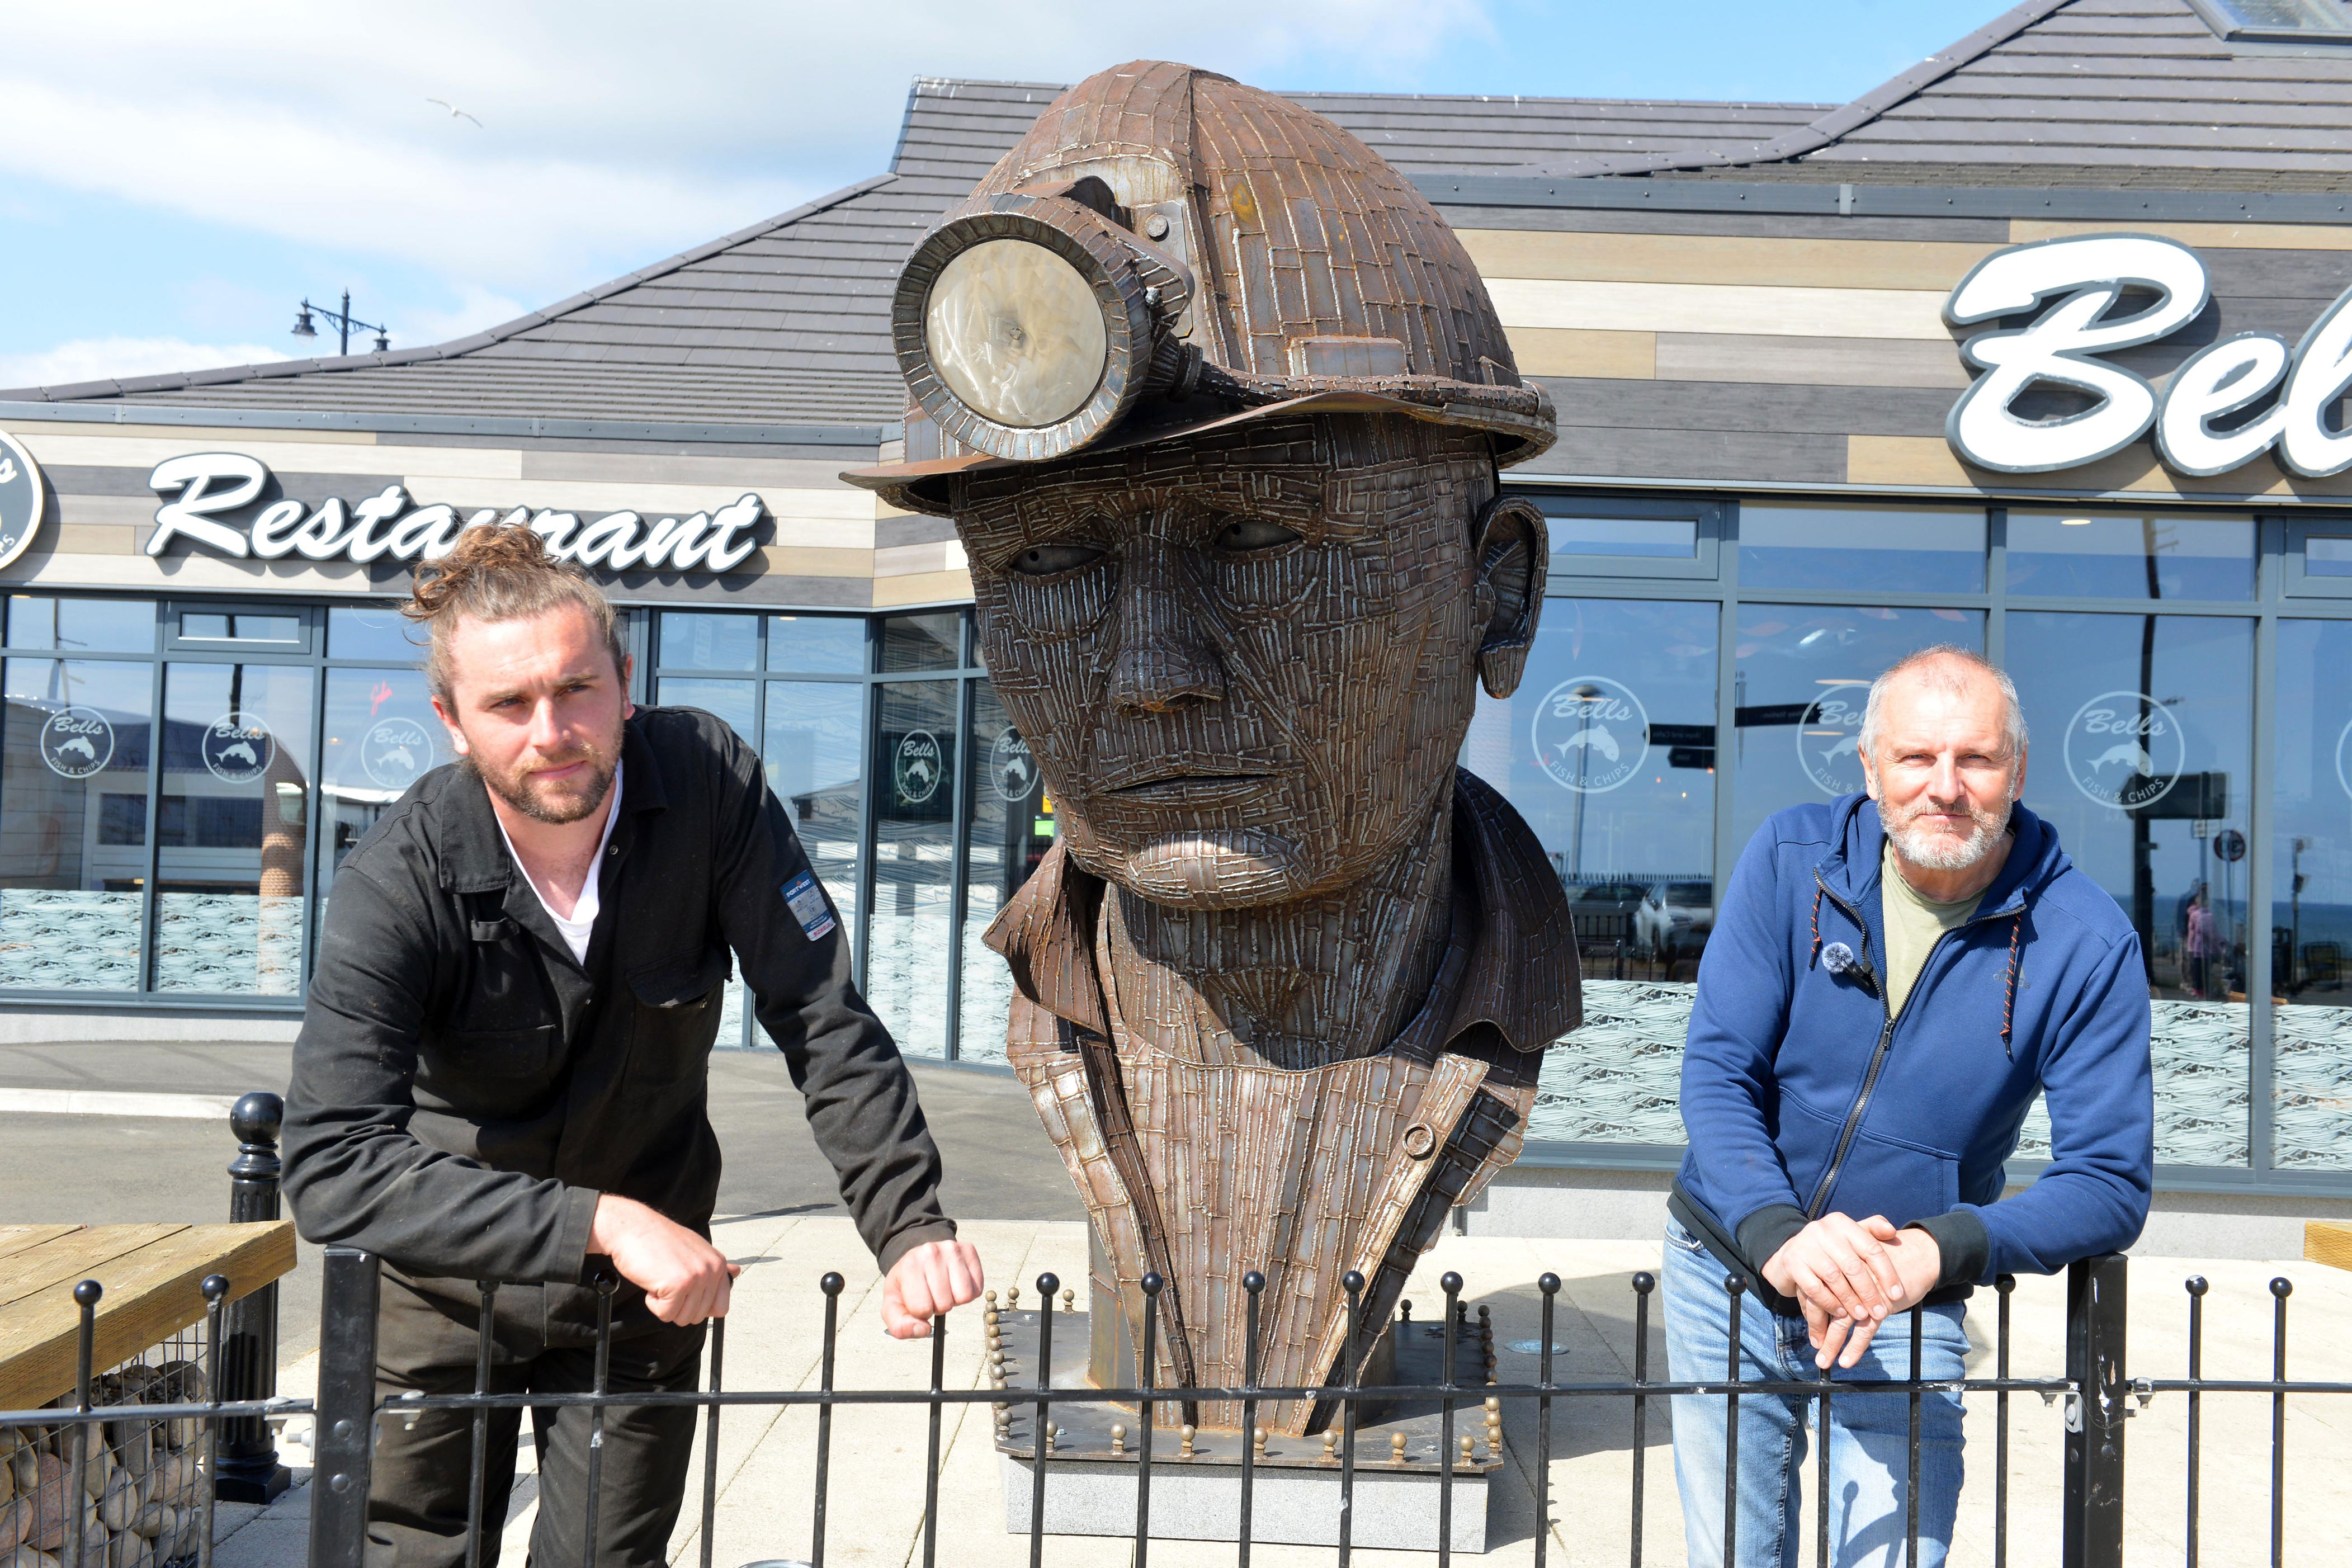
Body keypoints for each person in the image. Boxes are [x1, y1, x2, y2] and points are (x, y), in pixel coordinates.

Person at [282, 527, 983, 1568]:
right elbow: (332, 1161)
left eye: (577, 689)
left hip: (643, 1301)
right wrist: (602, 1222)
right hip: (440, 1289)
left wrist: (908, 1220)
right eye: (508, 705)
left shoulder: (707, 784)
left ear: (626, 684)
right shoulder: (401, 876)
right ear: (453, 723)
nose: (552, 731)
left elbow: (819, 1012)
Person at [1666, 645, 2153, 1568]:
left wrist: (1939, 1250)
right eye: (1915, 758)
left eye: (1974, 758)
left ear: (2017, 769)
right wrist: (1781, 1234)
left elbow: (2109, 1181)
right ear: (1869, 768)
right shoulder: (1789, 859)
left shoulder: (2085, 940)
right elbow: (1718, 1072)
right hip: (1727, 1266)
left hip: (1905, 1293)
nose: (1945, 786)